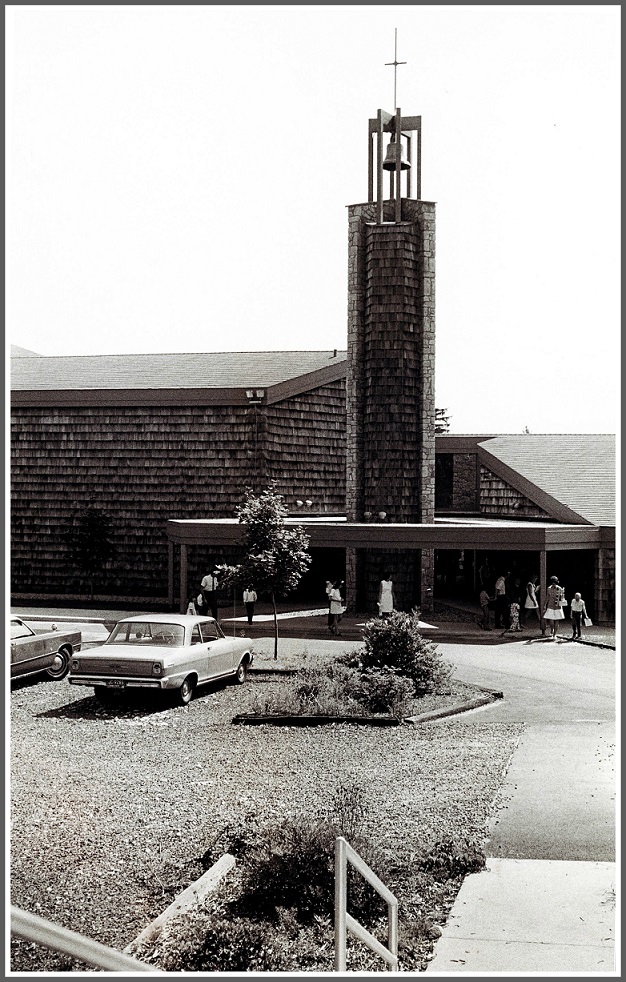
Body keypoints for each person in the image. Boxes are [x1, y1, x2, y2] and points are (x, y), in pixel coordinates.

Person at [543, 575, 565, 640]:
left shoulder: (560, 588)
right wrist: (545, 605)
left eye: (555, 582)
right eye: (552, 582)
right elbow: (547, 597)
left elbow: (562, 598)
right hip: (550, 606)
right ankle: (552, 630)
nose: (553, 584)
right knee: (551, 621)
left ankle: (554, 634)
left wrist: (563, 594)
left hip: (558, 606)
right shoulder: (549, 588)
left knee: (557, 620)